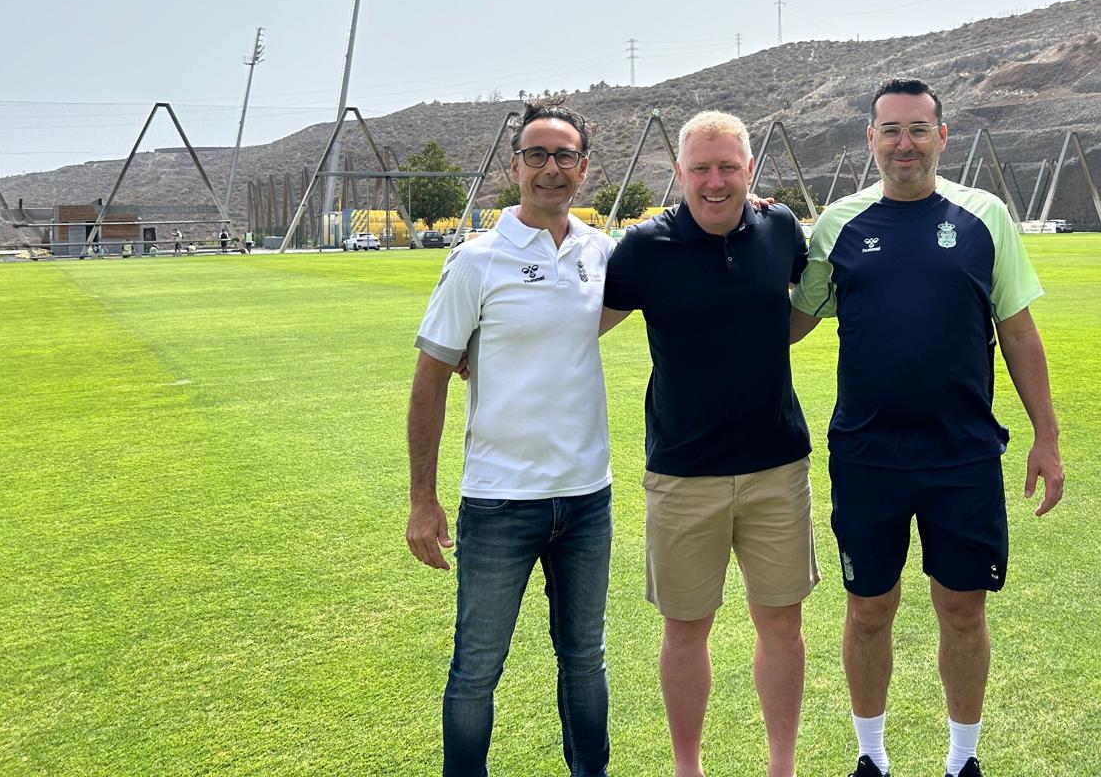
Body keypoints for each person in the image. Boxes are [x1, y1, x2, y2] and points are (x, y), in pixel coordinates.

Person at [789, 78, 1064, 777]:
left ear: (943, 137)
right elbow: (794, 323)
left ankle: (962, 760)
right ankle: (872, 758)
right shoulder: (839, 224)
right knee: (869, 607)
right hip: (867, 454)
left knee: (963, 609)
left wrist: (1047, 437)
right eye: (890, 130)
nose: (903, 143)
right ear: (870, 140)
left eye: (918, 129)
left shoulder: (984, 216)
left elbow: (1019, 332)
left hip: (962, 455)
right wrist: (743, 248)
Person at [602, 110, 817, 777]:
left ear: (750, 171)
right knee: (685, 630)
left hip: (777, 467)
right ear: (679, 175)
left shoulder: (780, 228)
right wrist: (480, 351)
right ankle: (687, 768)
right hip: (682, 474)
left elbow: (800, 310)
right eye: (701, 168)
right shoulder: (644, 247)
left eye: (728, 167)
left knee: (781, 626)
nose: (715, 181)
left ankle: (781, 766)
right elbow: (578, 329)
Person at [406, 103, 618, 777]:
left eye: (563, 157)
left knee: (585, 660)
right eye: (536, 155)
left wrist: (754, 205)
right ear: (513, 167)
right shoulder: (477, 261)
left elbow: (591, 320)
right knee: (476, 668)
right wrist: (422, 499)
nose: (549, 169)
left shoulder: (601, 251)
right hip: (499, 503)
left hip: (588, 499)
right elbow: (430, 378)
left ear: (583, 170)